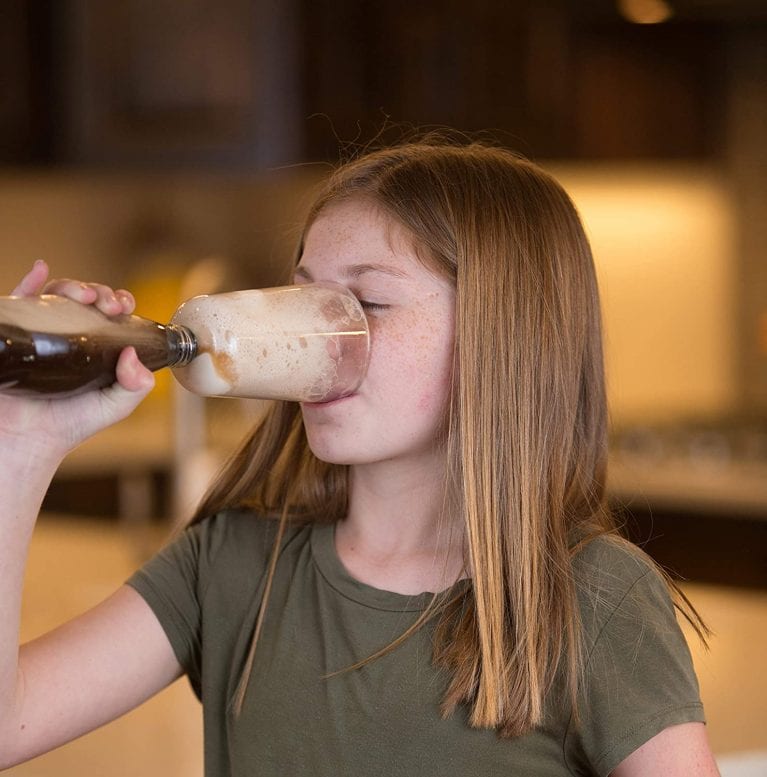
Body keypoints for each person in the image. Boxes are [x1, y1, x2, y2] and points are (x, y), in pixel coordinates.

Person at [0, 137, 720, 776]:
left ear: (501, 336)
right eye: (304, 299)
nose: (313, 341)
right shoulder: (232, 565)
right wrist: (24, 440)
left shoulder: (590, 597)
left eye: (368, 303)